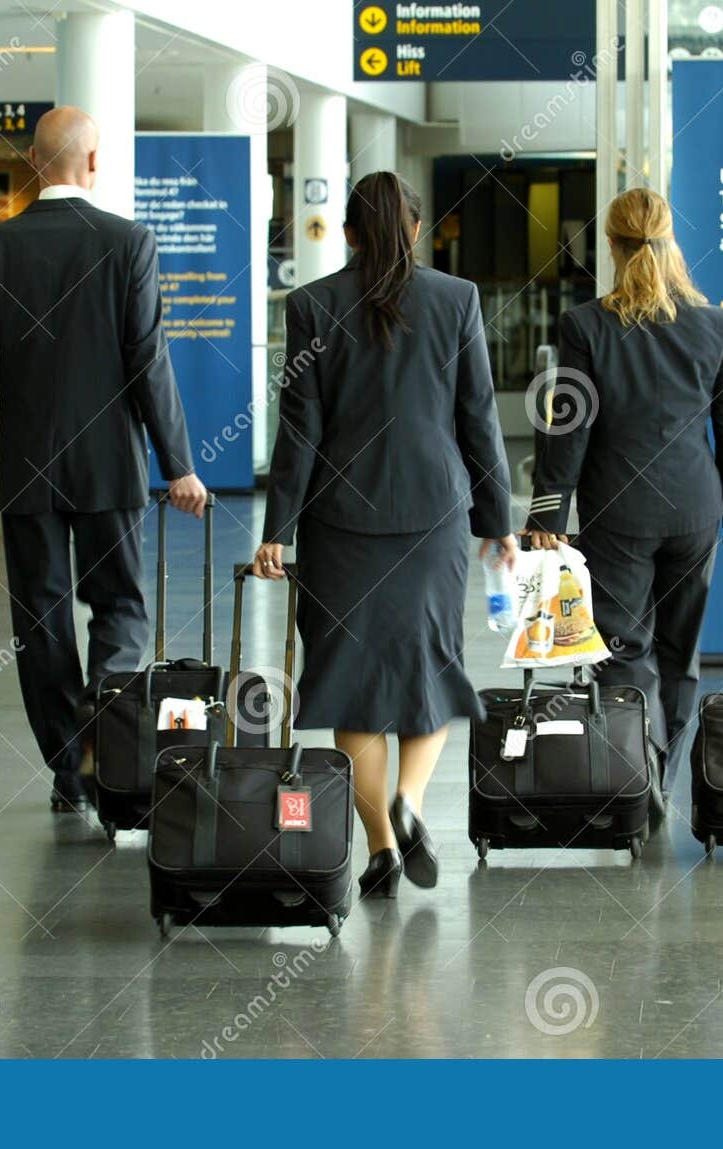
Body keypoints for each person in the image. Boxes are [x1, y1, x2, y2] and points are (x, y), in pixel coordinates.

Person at [255, 171, 515, 899]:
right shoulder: (456, 300)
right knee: (430, 671)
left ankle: (379, 847)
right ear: (414, 228)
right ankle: (410, 801)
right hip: (434, 519)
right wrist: (496, 521)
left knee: (353, 688)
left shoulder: (312, 305)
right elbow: (479, 419)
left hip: (341, 523)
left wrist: (277, 526)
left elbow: (299, 427)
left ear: (348, 233)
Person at [0, 105, 208, 812]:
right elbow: (147, 360)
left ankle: (68, 767)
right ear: (93, 163)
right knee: (119, 607)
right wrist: (178, 461)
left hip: (29, 469)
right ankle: (109, 748)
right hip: (109, 468)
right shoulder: (128, 242)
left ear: (34, 162)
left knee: (40, 617)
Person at [524, 186, 723, 791]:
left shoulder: (586, 324)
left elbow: (568, 427)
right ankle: (666, 769)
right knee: (681, 654)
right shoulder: (716, 324)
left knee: (624, 650)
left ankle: (633, 776)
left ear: (611, 245)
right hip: (694, 512)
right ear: (670, 242)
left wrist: (549, 511)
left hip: (618, 512)